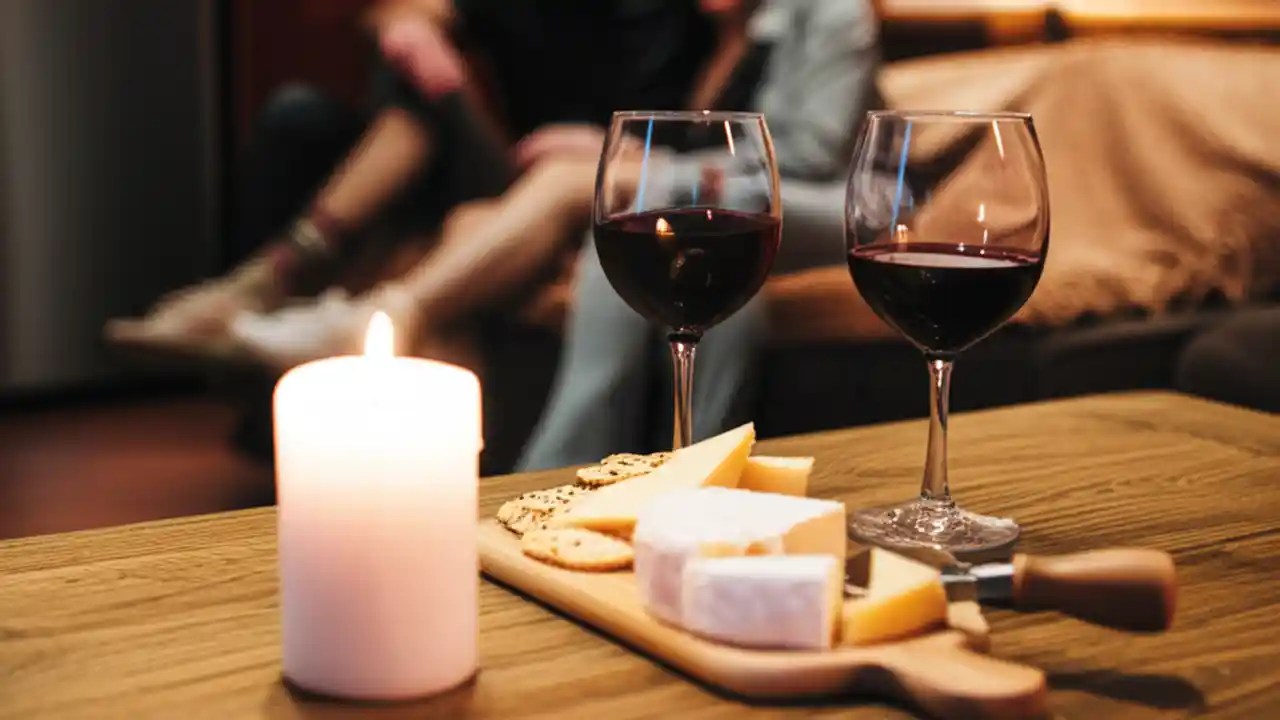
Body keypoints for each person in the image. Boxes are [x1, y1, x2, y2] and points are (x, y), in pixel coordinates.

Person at [115, 0, 723, 355]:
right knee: (387, 85)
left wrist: (604, 142)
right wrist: (408, 27)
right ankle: (279, 292)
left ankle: (268, 283)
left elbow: (709, 131)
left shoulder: (680, 18)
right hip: (514, 164)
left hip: (599, 172)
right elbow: (401, 9)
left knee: (416, 111)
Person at [518, 0, 882, 469]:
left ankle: (561, 464)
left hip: (833, 207)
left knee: (682, 204)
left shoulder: (834, 12)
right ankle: (687, 471)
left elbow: (814, 153)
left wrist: (660, 169)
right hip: (727, 203)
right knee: (692, 239)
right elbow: (676, 137)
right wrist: (631, 156)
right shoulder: (697, 31)